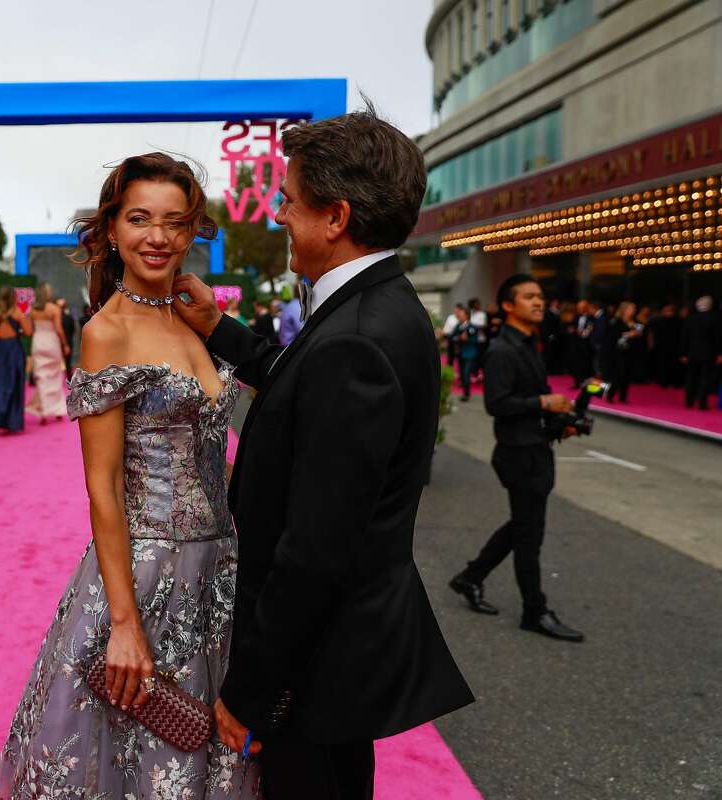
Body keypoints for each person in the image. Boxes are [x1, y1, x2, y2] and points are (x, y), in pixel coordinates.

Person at [172, 109, 472, 799]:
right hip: (340, 650)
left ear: (334, 217)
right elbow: (301, 381)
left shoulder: (356, 338)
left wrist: (249, 691)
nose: (278, 213)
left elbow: (314, 550)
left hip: (317, 663)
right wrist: (223, 329)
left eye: (289, 199)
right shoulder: (376, 307)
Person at [0, 153, 259, 798]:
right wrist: (124, 622)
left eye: (174, 221)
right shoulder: (107, 333)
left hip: (221, 572)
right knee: (142, 757)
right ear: (112, 229)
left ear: (194, 231)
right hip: (147, 574)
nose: (157, 237)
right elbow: (103, 489)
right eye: (139, 219)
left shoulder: (193, 318)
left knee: (209, 751)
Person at [449, 274, 585, 643]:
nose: (538, 302)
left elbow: (529, 401)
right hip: (518, 456)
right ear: (508, 305)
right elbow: (497, 403)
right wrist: (544, 403)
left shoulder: (528, 343)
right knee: (529, 535)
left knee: (523, 526)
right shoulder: (503, 350)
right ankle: (534, 611)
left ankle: (471, 577)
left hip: (535, 448)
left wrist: (560, 424)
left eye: (540, 296)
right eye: (529, 297)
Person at [0, 286, 32, 433]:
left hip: (0, 350)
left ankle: (2, 416)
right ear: (13, 298)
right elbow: (28, 331)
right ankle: (14, 421)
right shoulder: (17, 312)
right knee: (15, 384)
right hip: (14, 350)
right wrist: (18, 330)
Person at [24, 282, 70, 424]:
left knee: (41, 378)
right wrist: (65, 344)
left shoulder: (32, 310)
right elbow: (59, 329)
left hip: (38, 342)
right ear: (48, 294)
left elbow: (30, 331)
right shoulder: (54, 309)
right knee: (55, 376)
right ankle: (56, 410)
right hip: (52, 343)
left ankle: (44, 411)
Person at [681, 295, 722, 410]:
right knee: (705, 378)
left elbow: (684, 337)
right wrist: (719, 353)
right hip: (708, 353)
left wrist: (683, 353)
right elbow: (718, 337)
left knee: (691, 377)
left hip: (692, 352)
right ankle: (702, 403)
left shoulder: (690, 318)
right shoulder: (715, 318)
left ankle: (689, 401)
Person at [606, 302, 643, 403]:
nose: (633, 311)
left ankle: (623, 397)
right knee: (618, 374)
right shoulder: (616, 321)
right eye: (631, 309)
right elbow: (612, 337)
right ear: (624, 310)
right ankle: (610, 395)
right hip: (617, 352)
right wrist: (628, 334)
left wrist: (637, 335)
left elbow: (641, 335)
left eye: (634, 309)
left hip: (630, 352)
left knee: (627, 374)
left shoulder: (636, 322)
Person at [454, 305, 479, 402]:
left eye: (461, 313)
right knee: (462, 374)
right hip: (460, 353)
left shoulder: (472, 327)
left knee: (466, 374)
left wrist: (467, 339)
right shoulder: (458, 326)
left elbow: (475, 341)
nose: (459, 315)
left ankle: (466, 394)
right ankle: (465, 392)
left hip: (469, 354)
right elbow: (452, 336)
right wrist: (459, 338)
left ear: (467, 316)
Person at [56, 296, 78, 382]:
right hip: (67, 342)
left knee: (65, 362)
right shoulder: (69, 317)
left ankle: (66, 377)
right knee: (67, 362)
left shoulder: (67, 317)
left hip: (61, 342)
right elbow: (73, 330)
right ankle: (69, 378)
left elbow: (73, 330)